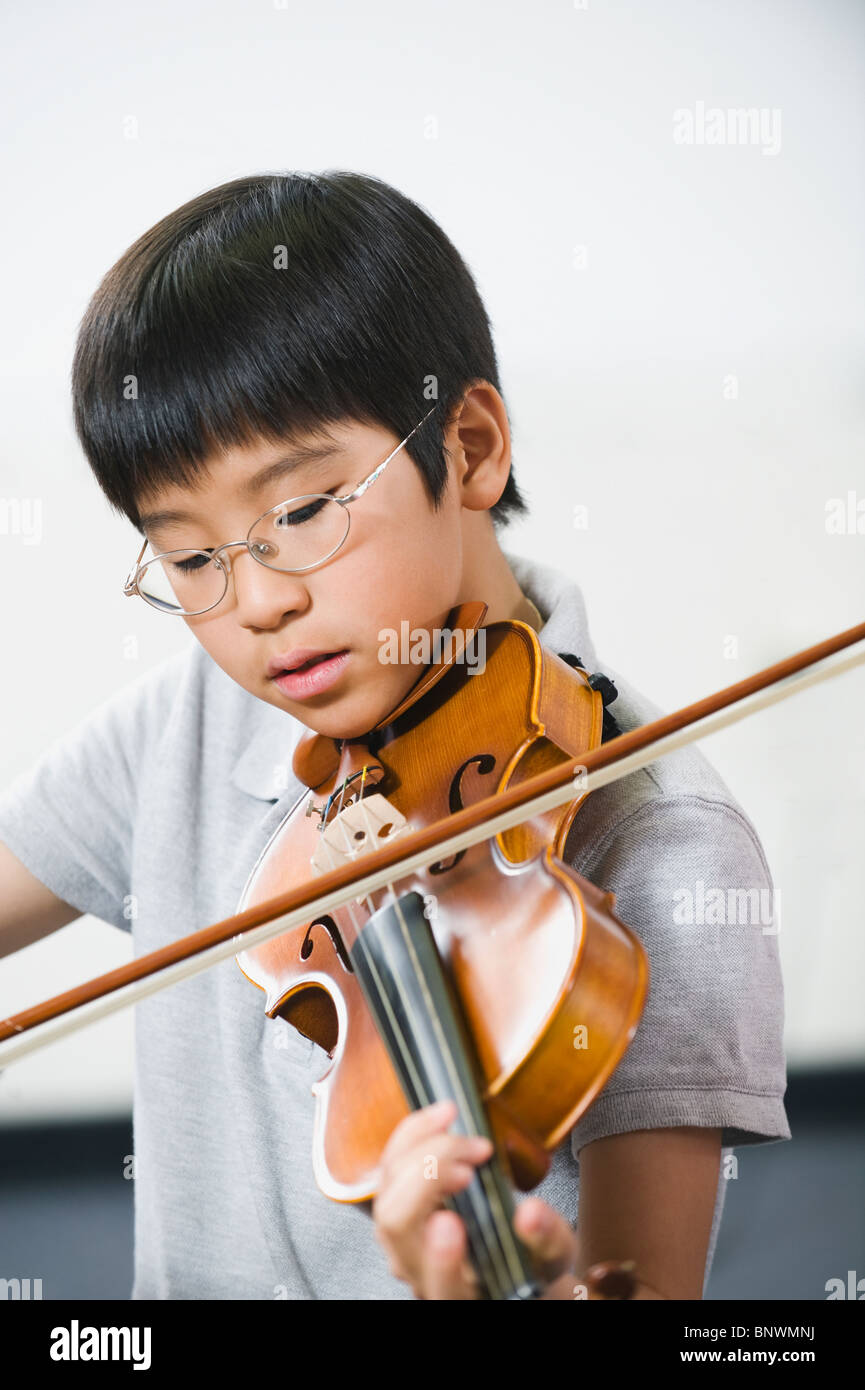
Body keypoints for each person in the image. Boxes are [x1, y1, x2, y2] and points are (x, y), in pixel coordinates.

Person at [0, 170, 790, 1301]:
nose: (256, 604)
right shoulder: (195, 714)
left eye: (303, 512)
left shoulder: (662, 845)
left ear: (467, 447)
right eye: (190, 556)